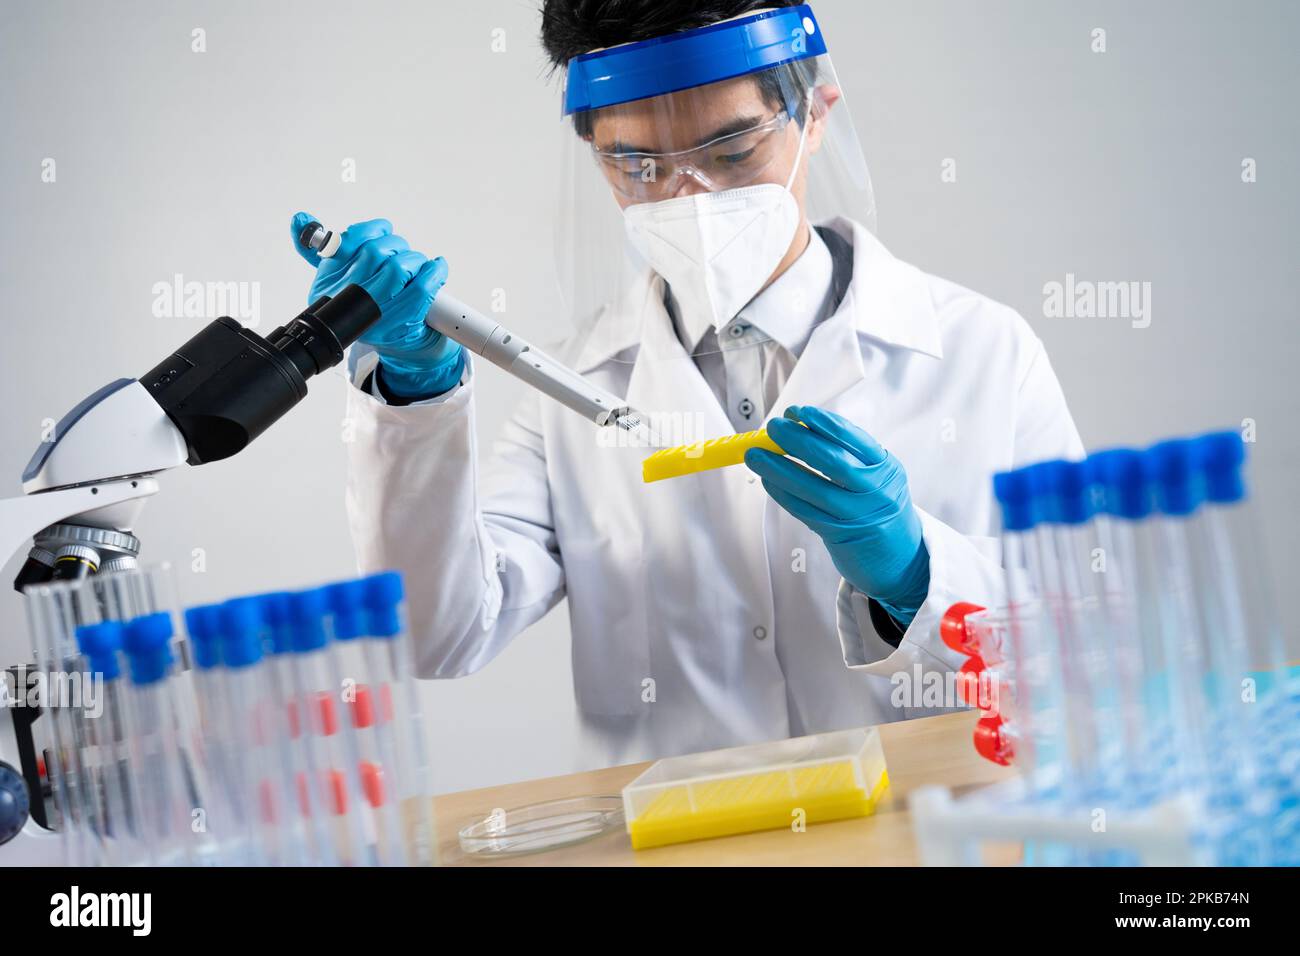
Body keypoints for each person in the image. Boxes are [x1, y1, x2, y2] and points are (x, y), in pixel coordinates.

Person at [290, 1, 1082, 766]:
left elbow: (1083, 648)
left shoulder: (983, 350)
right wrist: (415, 393)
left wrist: (919, 576)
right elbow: (436, 634)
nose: (688, 196)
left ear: (815, 114)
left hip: (924, 833)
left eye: (733, 150)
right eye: (639, 165)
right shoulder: (568, 393)